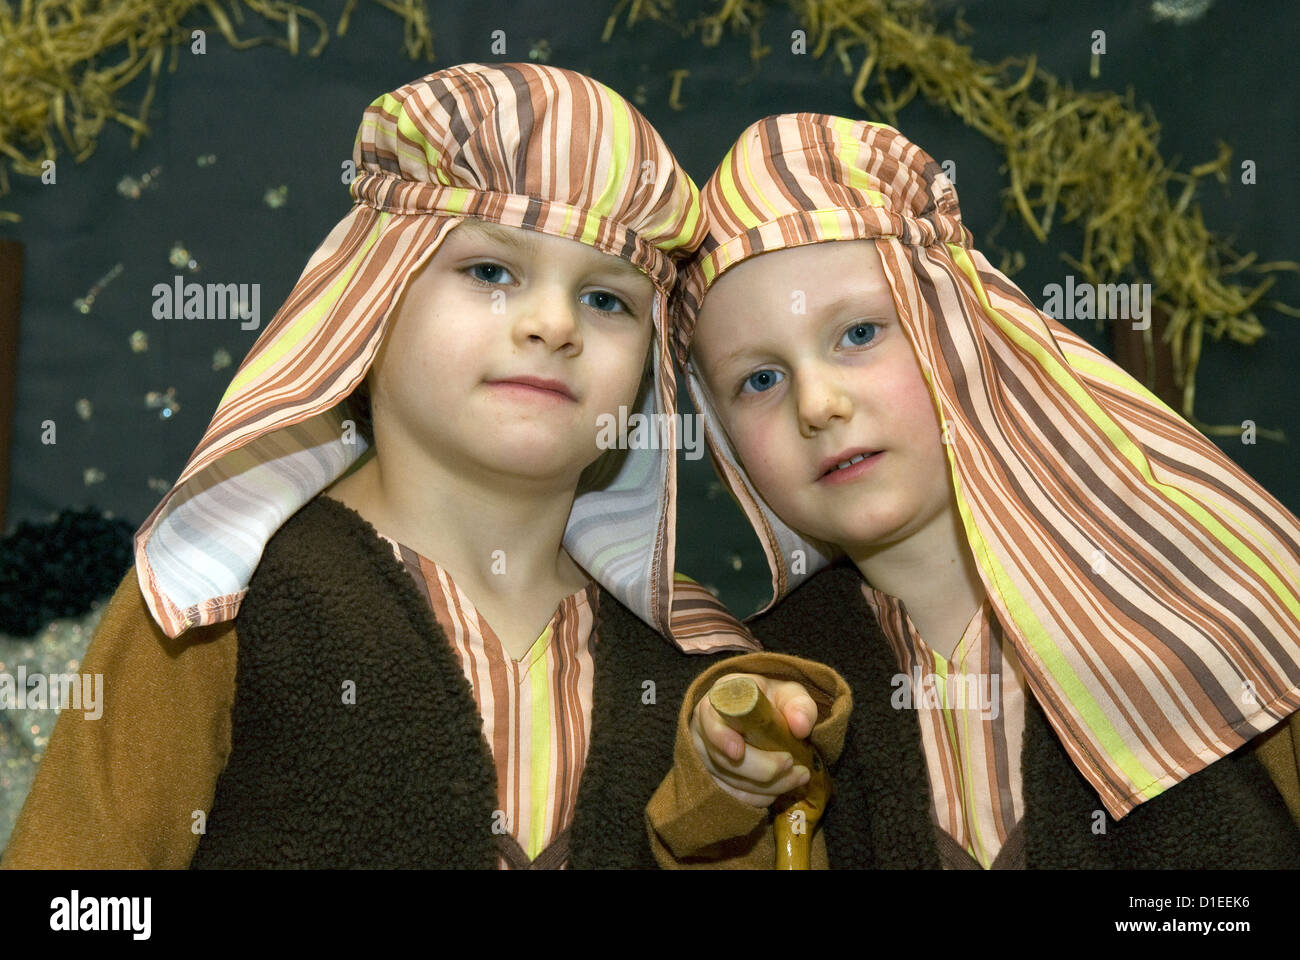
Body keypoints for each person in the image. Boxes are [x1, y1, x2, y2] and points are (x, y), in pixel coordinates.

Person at [0, 62, 759, 870]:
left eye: (608, 300)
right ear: (372, 295)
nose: (551, 324)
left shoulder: (703, 665)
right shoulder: (215, 597)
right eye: (491, 272)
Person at [647, 114, 1300, 868]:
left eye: (859, 334)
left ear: (961, 329)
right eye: (759, 379)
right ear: (723, 440)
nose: (817, 403)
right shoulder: (767, 697)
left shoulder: (1218, 601)